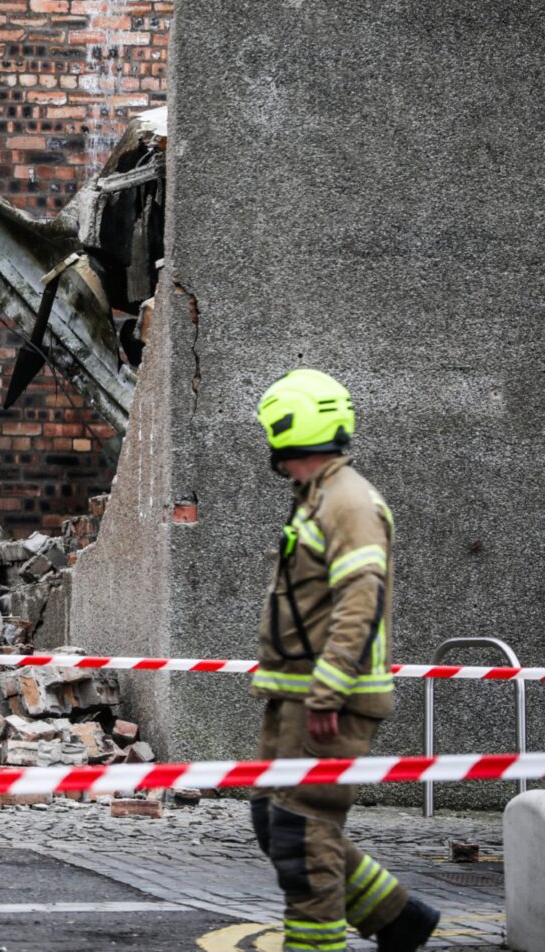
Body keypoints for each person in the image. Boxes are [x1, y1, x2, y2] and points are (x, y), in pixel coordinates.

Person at [250, 369, 440, 952]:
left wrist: (329, 691)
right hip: (295, 695)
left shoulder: (348, 500)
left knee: (303, 837)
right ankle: (396, 917)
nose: (271, 452)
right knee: (272, 817)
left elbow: (361, 603)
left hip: (326, 701)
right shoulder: (320, 498)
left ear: (290, 430)